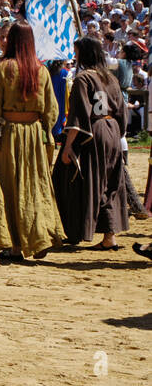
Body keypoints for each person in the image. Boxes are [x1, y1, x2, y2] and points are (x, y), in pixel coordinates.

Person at [0, 21, 65, 261]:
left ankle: (14, 246)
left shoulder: (3, 68)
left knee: (9, 188)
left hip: (8, 135)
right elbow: (52, 111)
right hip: (35, 135)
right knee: (35, 187)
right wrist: (43, 132)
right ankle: (39, 238)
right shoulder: (42, 70)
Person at [54, 37, 128, 249]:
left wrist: (68, 146)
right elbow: (122, 113)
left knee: (76, 179)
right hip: (113, 132)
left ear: (84, 54)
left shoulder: (83, 79)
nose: (74, 56)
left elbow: (79, 115)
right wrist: (116, 133)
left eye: (77, 52)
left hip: (92, 133)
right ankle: (109, 237)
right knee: (109, 183)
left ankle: (78, 231)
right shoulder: (111, 79)